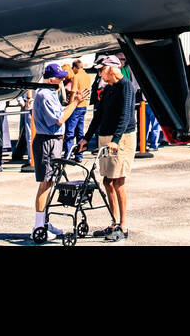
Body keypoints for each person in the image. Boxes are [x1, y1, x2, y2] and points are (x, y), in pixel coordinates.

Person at [80, 57, 136, 242]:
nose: (100, 73)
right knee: (107, 182)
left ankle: (123, 224)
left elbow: (126, 114)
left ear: (111, 69)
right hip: (105, 137)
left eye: (101, 69)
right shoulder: (108, 89)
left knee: (118, 182)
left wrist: (116, 139)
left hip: (120, 138)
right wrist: (86, 138)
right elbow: (98, 115)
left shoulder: (125, 86)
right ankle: (113, 222)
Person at [31, 63, 88, 239]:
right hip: (47, 141)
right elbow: (59, 119)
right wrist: (76, 102)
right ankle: (38, 225)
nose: (63, 80)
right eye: (60, 77)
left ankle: (45, 222)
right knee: (46, 182)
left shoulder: (51, 94)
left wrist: (73, 101)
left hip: (53, 141)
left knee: (50, 182)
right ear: (51, 79)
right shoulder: (45, 95)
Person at [64, 59, 91, 158]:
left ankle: (68, 154)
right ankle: (79, 155)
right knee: (80, 131)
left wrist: (71, 105)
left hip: (76, 106)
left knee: (70, 132)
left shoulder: (76, 76)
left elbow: (73, 91)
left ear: (75, 68)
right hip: (84, 105)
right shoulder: (87, 76)